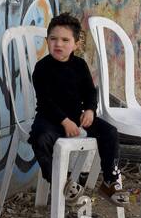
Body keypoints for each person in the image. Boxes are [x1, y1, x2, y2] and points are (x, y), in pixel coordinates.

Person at [29, 13, 127, 204]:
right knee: (39, 139)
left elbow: (90, 92)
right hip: (50, 118)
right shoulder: (42, 69)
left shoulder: (80, 66)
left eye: (65, 40)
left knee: (110, 132)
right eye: (53, 39)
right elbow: (46, 101)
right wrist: (64, 122)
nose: (58, 44)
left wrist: (90, 110)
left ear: (75, 44)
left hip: (77, 115)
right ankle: (61, 182)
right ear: (47, 41)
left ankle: (110, 181)